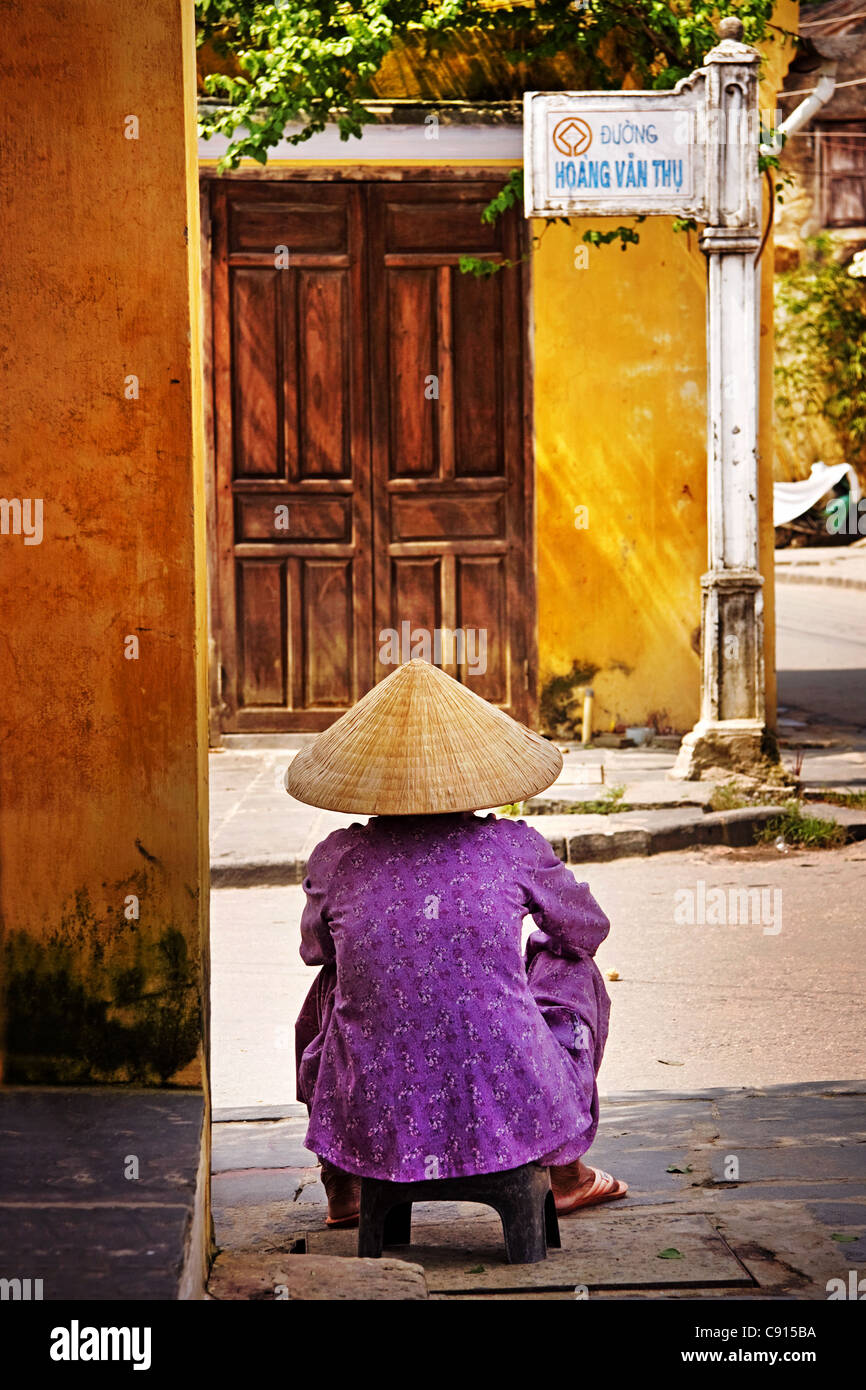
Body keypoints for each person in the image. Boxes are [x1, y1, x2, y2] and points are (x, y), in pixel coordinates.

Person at [287, 659, 628, 1228]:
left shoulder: (339, 857)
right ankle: (566, 1170)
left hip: (374, 1099)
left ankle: (342, 1181)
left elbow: (314, 950)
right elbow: (586, 929)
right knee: (570, 964)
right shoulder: (512, 847)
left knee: (331, 984)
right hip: (512, 1084)